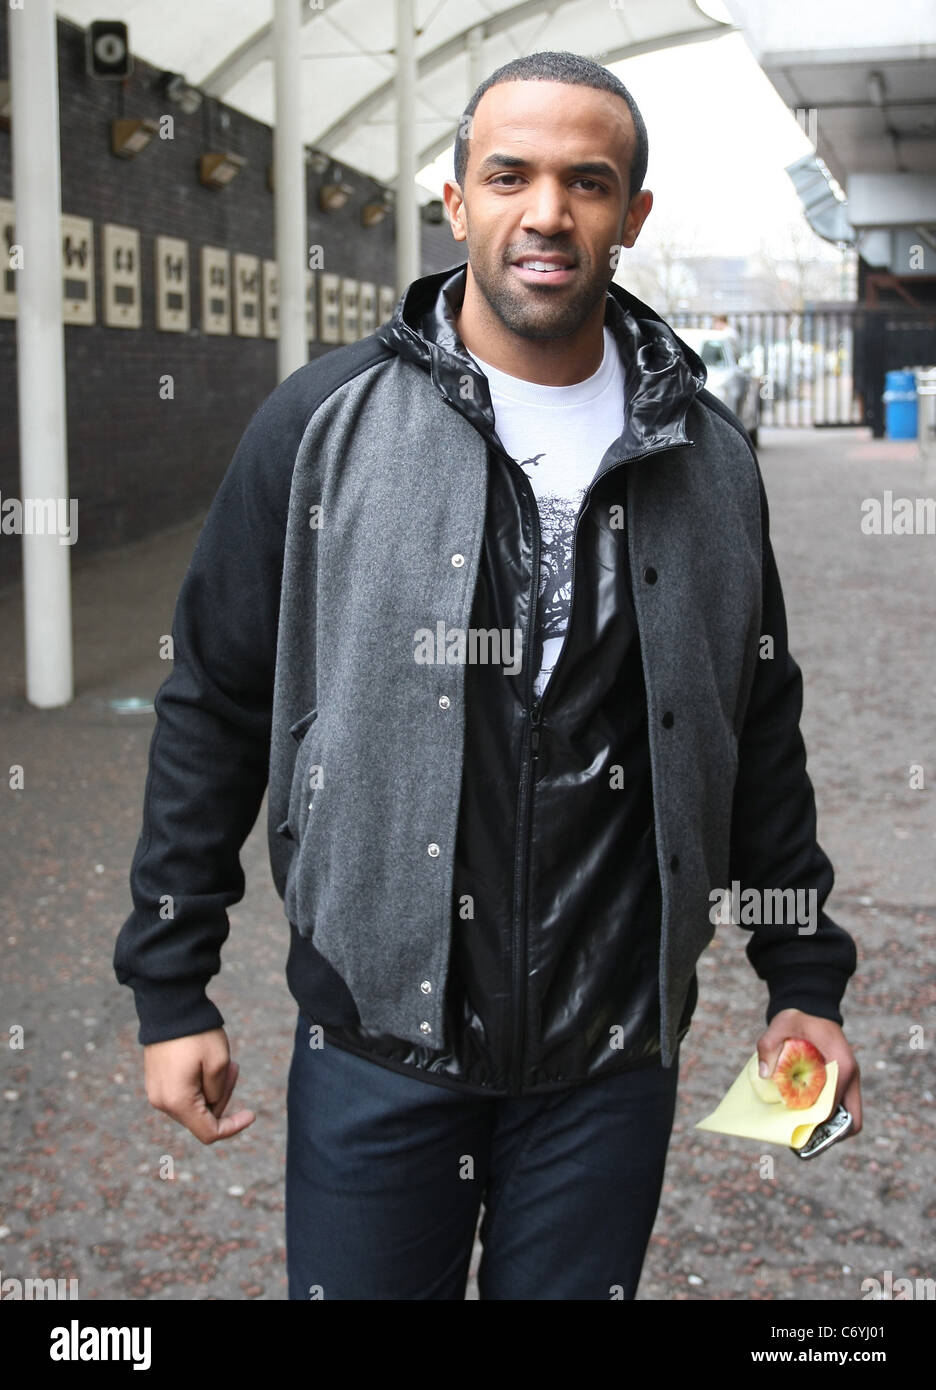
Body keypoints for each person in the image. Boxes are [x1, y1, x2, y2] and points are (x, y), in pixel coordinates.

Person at [114, 49, 862, 1301]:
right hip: (377, 1045)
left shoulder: (706, 455)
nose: (547, 213)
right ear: (457, 202)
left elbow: (752, 727)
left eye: (588, 181)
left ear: (632, 216)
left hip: (612, 1059)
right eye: (509, 174)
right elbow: (217, 700)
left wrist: (803, 978)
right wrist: (171, 982)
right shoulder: (320, 428)